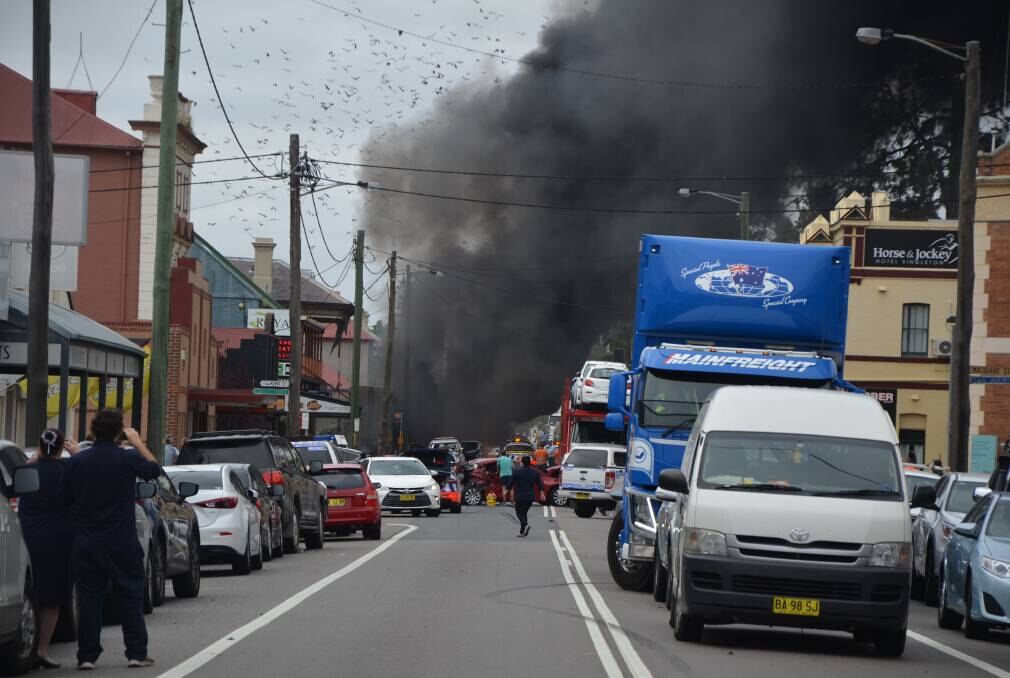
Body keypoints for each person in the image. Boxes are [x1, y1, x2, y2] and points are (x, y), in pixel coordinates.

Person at [62, 409, 161, 670]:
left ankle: (87, 655)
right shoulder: (127, 458)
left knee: (89, 599)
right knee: (130, 595)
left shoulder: (77, 462)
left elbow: (65, 499)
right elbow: (154, 470)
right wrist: (138, 442)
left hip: (87, 540)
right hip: (121, 539)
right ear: (119, 431)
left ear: (93, 431)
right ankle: (136, 652)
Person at [19, 428, 79, 669]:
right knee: (52, 597)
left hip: (27, 535)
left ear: (39, 445)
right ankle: (42, 649)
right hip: (59, 539)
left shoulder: (27, 470)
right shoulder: (67, 471)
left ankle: (27, 643)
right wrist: (76, 455)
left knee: (28, 590)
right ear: (61, 446)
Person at [507, 455, 543, 537]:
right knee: (524, 513)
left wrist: (506, 490)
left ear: (522, 462)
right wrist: (542, 493)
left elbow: (510, 484)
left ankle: (526, 525)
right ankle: (522, 531)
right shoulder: (534, 473)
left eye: (520, 461)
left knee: (519, 513)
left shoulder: (517, 472)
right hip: (530, 497)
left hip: (520, 497)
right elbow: (539, 484)